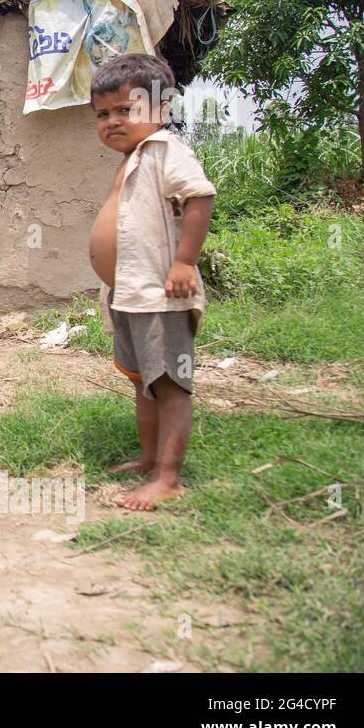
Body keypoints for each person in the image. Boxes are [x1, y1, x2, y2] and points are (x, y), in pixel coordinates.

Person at [88, 54, 215, 510]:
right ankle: (148, 458)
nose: (112, 121)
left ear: (161, 110)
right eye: (103, 114)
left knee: (170, 387)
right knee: (144, 382)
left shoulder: (165, 149)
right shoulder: (132, 158)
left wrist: (183, 263)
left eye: (126, 110)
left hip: (161, 295)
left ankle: (169, 478)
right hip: (130, 296)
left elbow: (199, 197)